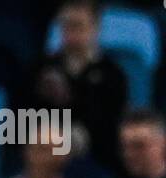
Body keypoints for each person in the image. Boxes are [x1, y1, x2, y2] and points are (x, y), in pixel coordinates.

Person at [32, 0, 128, 169]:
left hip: (93, 160)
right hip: (44, 152)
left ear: (95, 29)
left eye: (78, 26)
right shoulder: (41, 69)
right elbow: (23, 117)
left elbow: (110, 127)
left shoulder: (113, 75)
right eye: (66, 26)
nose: (71, 35)